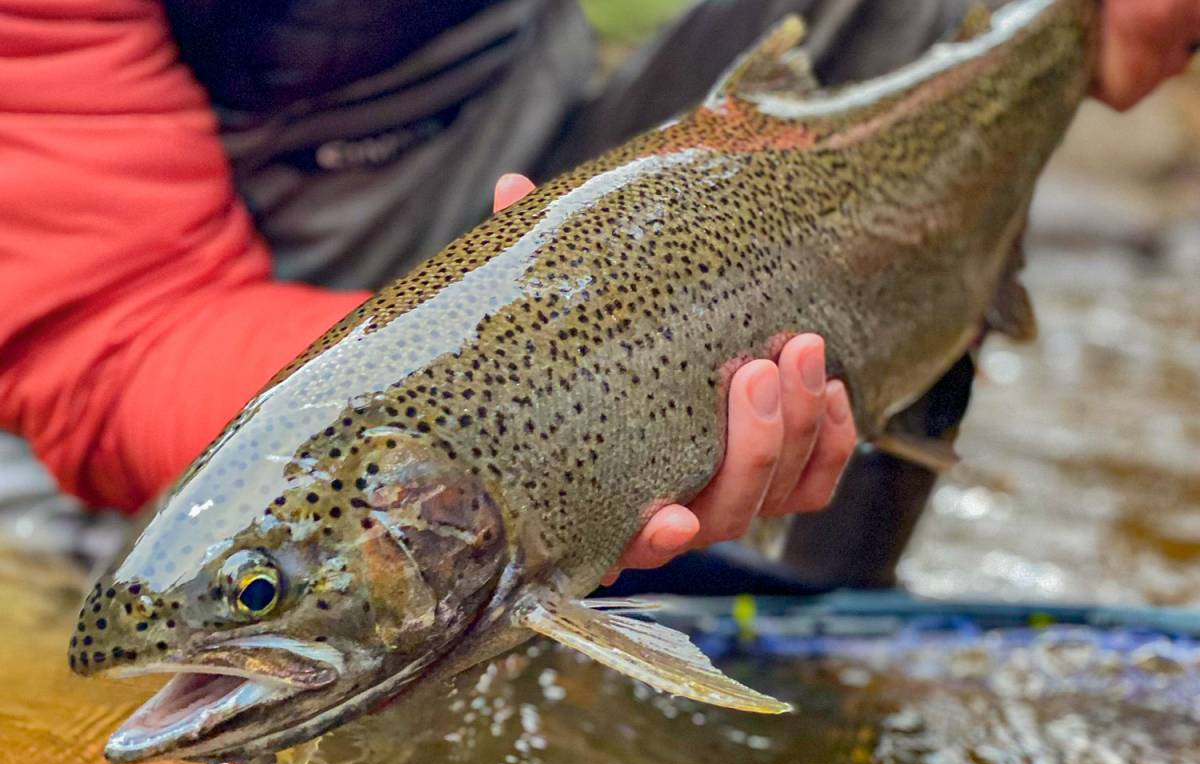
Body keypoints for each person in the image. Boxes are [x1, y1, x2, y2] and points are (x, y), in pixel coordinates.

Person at [0, 0, 1196, 587]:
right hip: (261, 326)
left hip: (558, 170)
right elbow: (119, 325)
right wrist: (515, 414)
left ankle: (790, 663)